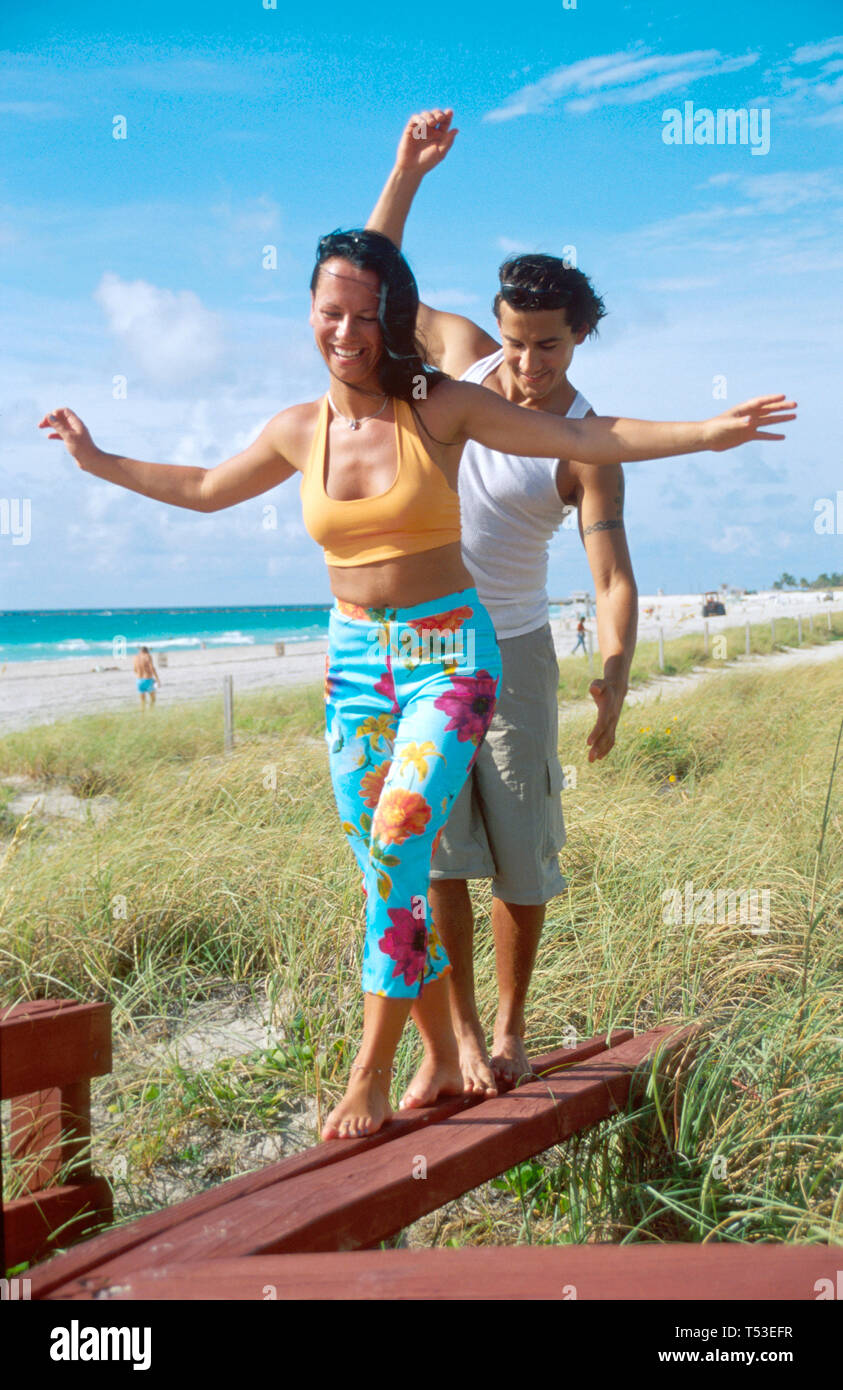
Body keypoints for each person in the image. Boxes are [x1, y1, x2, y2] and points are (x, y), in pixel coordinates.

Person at [39, 227, 794, 1141]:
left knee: (401, 837)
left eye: (365, 316)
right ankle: (441, 1047)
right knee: (390, 870)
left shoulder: (439, 405)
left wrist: (706, 434)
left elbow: (582, 434)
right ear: (310, 316)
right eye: (330, 313)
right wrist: (97, 460)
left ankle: (370, 1070)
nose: (347, 332)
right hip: (354, 660)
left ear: (392, 320)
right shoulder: (295, 427)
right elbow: (202, 486)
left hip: (454, 656)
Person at [362, 108, 789, 1102]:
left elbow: (615, 577)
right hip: (422, 643)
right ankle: (458, 1034)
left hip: (510, 654)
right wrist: (406, 172)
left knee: (519, 859)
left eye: (545, 348)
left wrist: (616, 676)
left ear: (580, 334)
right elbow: (373, 278)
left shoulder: (583, 447)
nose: (522, 365)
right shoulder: (464, 353)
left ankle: (511, 1028)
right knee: (436, 850)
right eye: (514, 343)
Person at [132, 645, 161, 710]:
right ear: (147, 651)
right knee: (153, 699)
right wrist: (157, 679)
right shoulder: (148, 656)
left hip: (139, 681)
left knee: (142, 702)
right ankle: (151, 711)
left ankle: (143, 716)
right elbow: (152, 668)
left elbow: (135, 670)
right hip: (148, 679)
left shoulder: (135, 657)